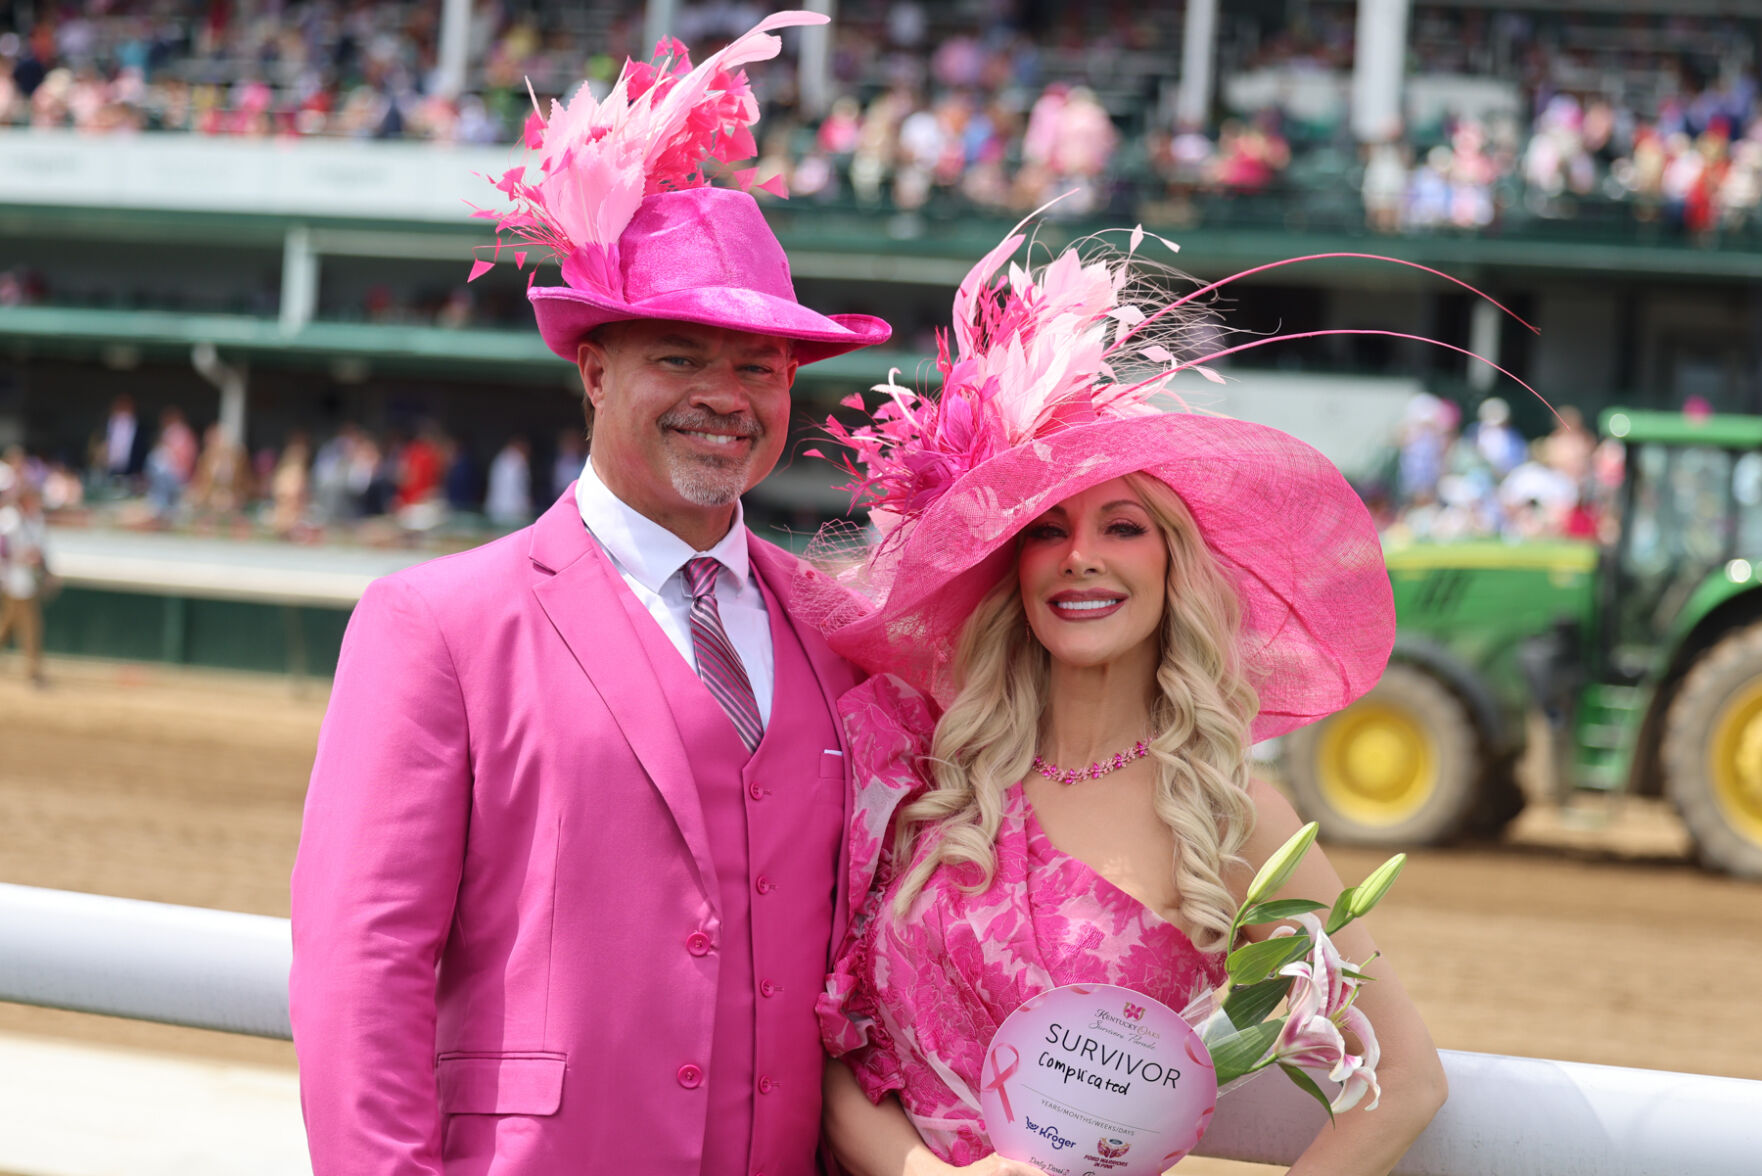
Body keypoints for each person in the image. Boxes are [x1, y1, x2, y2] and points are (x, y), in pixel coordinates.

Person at [289, 13, 890, 1176]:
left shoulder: (836, 629)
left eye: (758, 366)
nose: (727, 395)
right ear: (594, 366)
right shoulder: (436, 624)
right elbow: (361, 968)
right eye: (679, 356)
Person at [802, 229, 1449, 1173]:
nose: (1082, 557)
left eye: (1124, 526)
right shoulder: (926, 768)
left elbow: (1406, 1084)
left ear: (1171, 565)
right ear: (1010, 569)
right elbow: (832, 1045)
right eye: (1047, 530)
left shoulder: (1230, 819)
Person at [0, 482, 51, 686]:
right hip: (14, 580)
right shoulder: (10, 520)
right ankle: (33, 671)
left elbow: (41, 550)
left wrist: (45, 571)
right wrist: (23, 557)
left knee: (8, 625)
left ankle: (34, 670)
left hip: (26, 581)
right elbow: (4, 552)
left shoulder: (35, 520)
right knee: (30, 627)